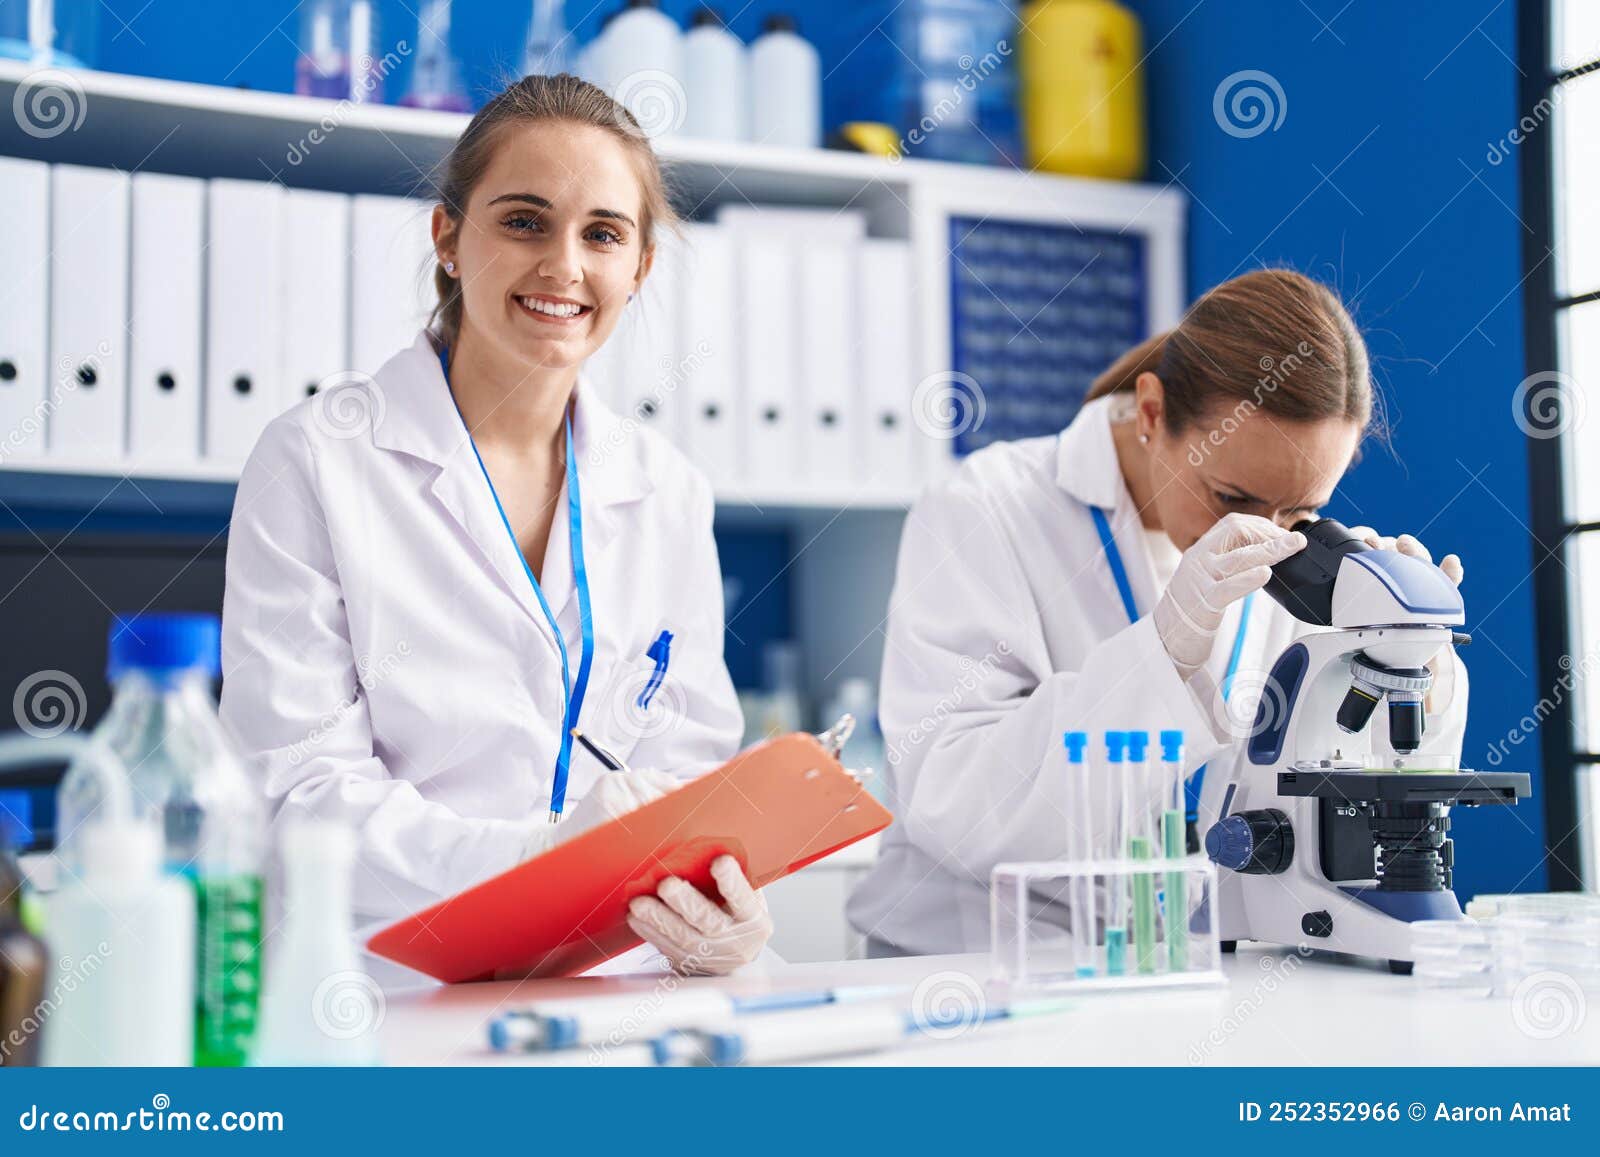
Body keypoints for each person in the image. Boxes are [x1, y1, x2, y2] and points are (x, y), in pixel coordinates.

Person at [221, 75, 772, 976]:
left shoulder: (667, 491)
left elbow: (688, 775)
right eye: (523, 220)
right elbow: (299, 791)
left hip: (612, 986)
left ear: (639, 269)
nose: (564, 265)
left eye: (603, 234)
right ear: (448, 237)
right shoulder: (318, 459)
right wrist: (535, 859)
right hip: (383, 988)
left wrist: (721, 906)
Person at [846, 268, 1467, 956]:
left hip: (1182, 964)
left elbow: (1321, 776)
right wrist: (1163, 654)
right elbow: (952, 805)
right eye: (1230, 497)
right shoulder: (985, 509)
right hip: (977, 963)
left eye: (1301, 511)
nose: (1266, 535)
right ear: (1149, 413)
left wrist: (1391, 652)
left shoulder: (1293, 559)